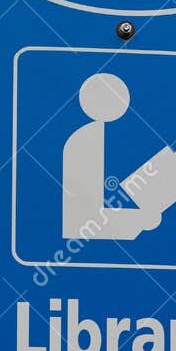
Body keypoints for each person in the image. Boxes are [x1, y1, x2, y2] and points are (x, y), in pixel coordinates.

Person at [62, 73, 161, 242]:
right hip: (85, 240)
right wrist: (142, 218)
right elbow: (84, 220)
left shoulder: (85, 138)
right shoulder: (83, 140)